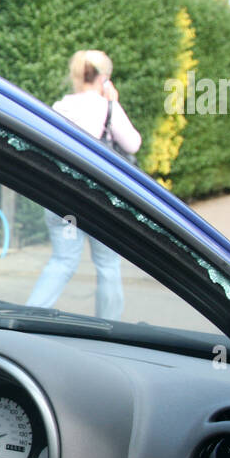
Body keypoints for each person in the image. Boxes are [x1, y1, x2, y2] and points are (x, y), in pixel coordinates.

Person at [25, 49, 141, 320]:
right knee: (108, 265)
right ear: (104, 78)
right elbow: (133, 144)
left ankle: (30, 316)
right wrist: (114, 102)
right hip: (101, 200)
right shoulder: (109, 108)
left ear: (76, 76)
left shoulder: (58, 107)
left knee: (62, 261)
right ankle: (108, 328)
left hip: (61, 196)